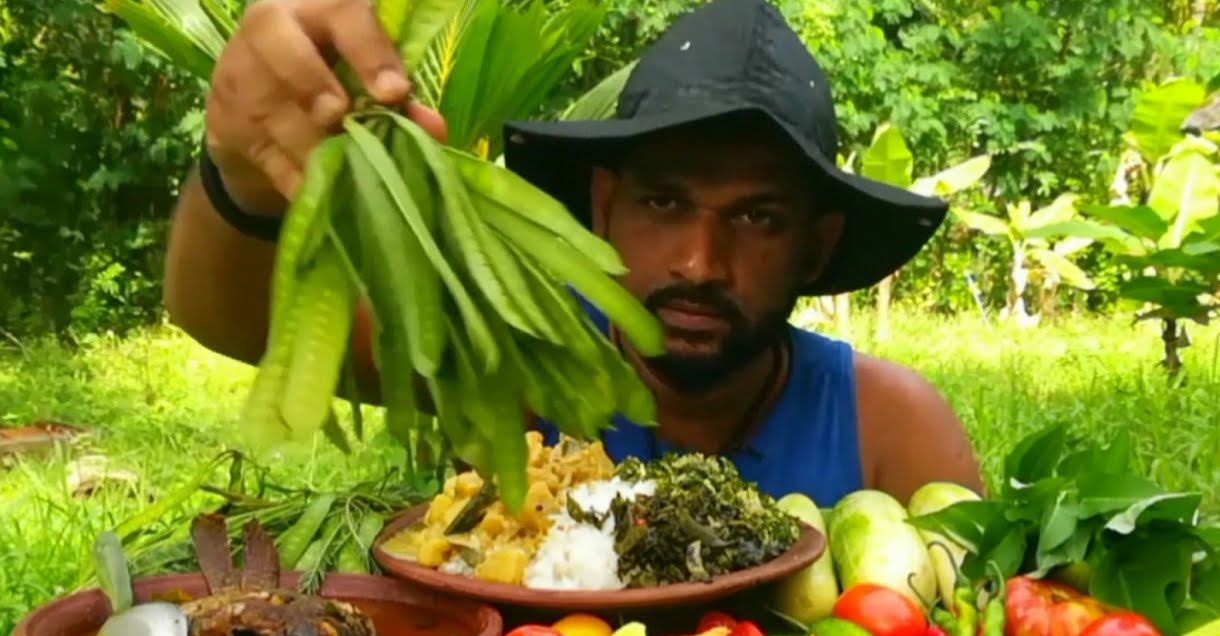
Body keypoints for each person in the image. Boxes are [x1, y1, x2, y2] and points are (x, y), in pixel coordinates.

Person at [163, 0, 985, 508]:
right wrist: (242, 172)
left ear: (819, 246)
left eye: (760, 218)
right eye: (664, 203)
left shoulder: (891, 431)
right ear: (603, 206)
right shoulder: (508, 366)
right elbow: (233, 321)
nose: (701, 262)